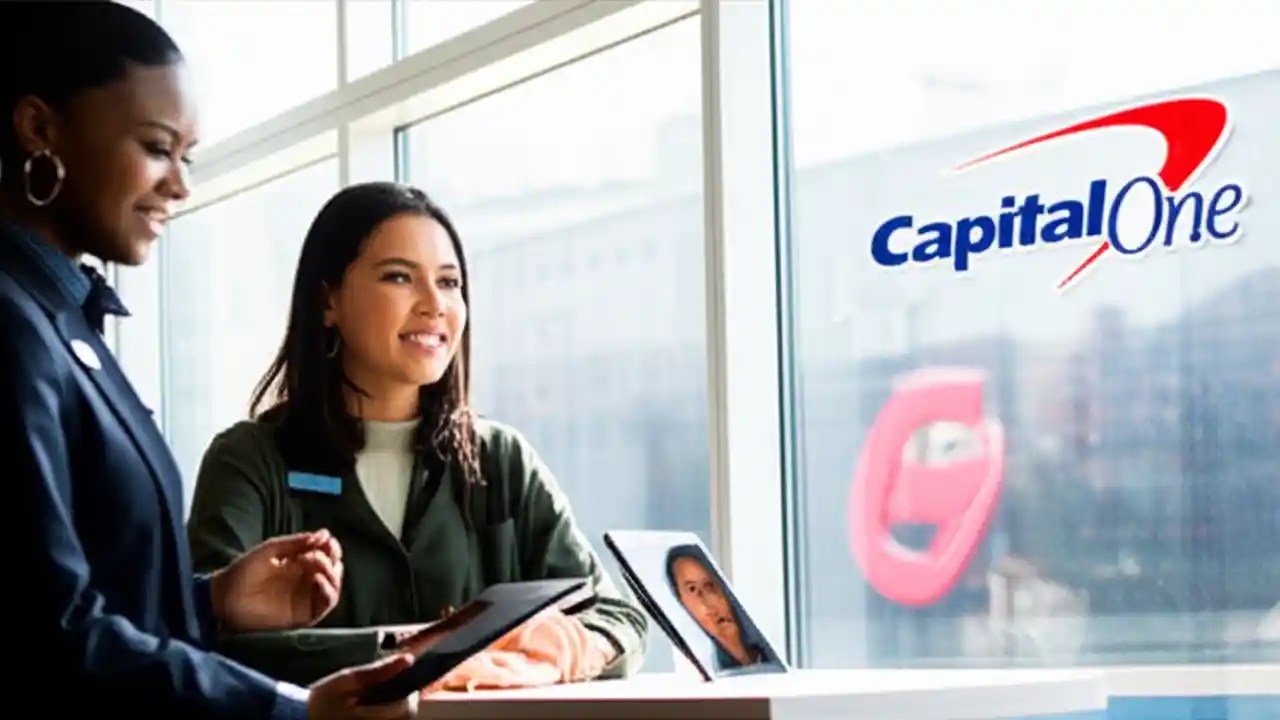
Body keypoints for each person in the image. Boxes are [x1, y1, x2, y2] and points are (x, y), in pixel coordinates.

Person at [0, 4, 416, 718]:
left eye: (186, 158)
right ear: (40, 128)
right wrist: (295, 712)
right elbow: (49, 636)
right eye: (157, 147)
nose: (180, 185)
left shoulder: (66, 319)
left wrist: (214, 600)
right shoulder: (15, 325)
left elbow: (87, 593)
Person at [185, 181, 649, 692]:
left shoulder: (502, 460)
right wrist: (417, 652)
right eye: (399, 277)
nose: (434, 304)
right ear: (327, 300)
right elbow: (202, 640)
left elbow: (618, 618)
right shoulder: (249, 461)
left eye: (449, 283)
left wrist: (560, 650)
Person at [665, 545, 772, 671]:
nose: (711, 602)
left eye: (709, 585)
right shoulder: (698, 666)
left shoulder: (767, 652)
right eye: (692, 589)